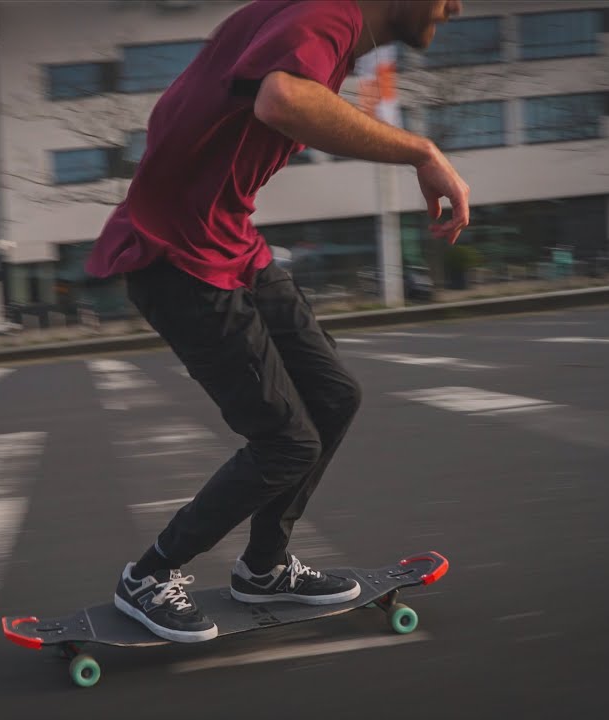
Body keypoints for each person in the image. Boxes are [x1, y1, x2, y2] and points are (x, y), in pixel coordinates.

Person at [85, 0, 470, 643]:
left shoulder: (315, 22)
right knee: (287, 440)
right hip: (178, 261)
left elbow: (196, 102)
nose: (456, 6)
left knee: (333, 397)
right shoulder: (329, 15)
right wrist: (421, 152)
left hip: (230, 246)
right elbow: (281, 101)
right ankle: (148, 576)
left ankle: (264, 569)